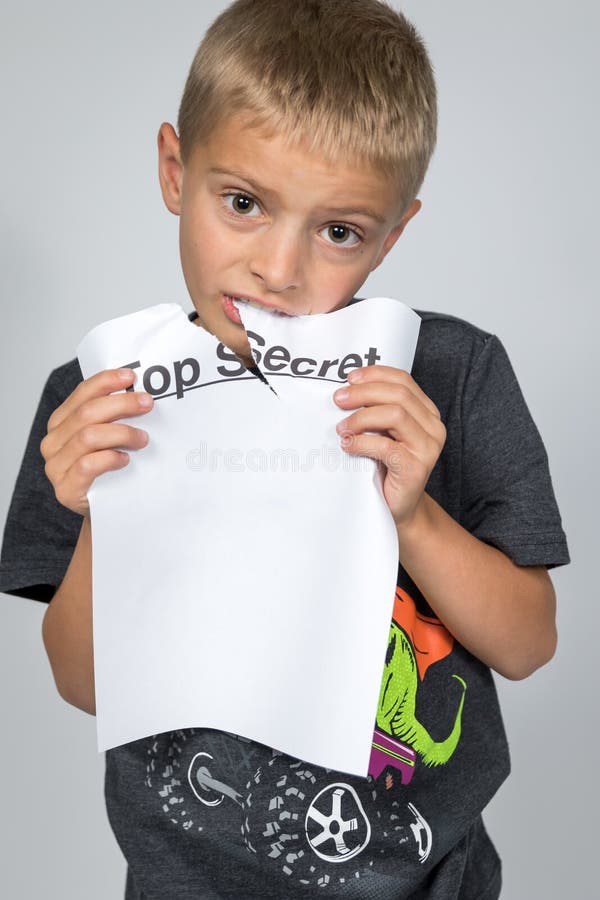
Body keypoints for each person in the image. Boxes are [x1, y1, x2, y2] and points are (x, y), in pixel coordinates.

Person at [0, 1, 570, 897]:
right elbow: (83, 682)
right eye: (242, 203)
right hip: (186, 880)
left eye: (338, 230)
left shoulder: (450, 377)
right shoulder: (100, 395)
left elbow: (530, 643)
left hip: (429, 879)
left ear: (394, 233)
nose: (279, 268)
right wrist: (100, 510)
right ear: (173, 170)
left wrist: (412, 513)